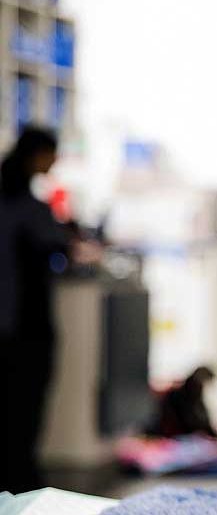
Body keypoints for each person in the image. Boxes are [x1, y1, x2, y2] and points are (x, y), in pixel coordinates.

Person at [0, 128, 69, 492]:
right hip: (25, 326)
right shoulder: (28, 207)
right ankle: (21, 480)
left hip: (12, 324)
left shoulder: (16, 198)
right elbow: (55, 248)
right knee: (25, 408)